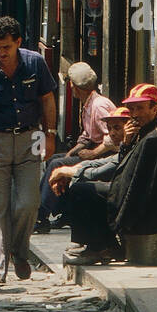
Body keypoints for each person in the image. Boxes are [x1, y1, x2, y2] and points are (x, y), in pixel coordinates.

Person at [0, 15, 57, 283]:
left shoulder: (35, 63)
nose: (2, 53)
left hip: (29, 139)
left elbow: (48, 99)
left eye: (6, 47)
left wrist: (50, 135)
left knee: (28, 203)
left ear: (18, 42)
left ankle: (19, 250)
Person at [57, 84, 157, 266]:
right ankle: (103, 245)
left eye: (141, 108)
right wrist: (127, 143)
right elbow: (124, 166)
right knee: (87, 188)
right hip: (130, 191)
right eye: (132, 108)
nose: (135, 114)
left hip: (146, 204)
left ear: (154, 108)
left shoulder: (155, 138)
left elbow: (139, 181)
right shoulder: (141, 133)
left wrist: (113, 193)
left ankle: (99, 247)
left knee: (83, 191)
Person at [37, 63, 116, 232]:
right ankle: (65, 212)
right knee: (55, 159)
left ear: (74, 86)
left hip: (106, 154)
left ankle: (40, 215)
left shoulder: (99, 105)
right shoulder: (88, 104)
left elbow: (112, 139)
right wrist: (71, 153)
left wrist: (93, 153)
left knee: (57, 166)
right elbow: (87, 135)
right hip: (94, 149)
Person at [47, 108, 131, 234]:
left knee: (82, 188)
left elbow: (98, 172)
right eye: (109, 128)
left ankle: (101, 245)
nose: (112, 133)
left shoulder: (131, 148)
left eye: (117, 128)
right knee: (71, 175)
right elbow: (97, 163)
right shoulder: (124, 148)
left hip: (129, 196)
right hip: (121, 190)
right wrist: (68, 171)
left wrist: (63, 172)